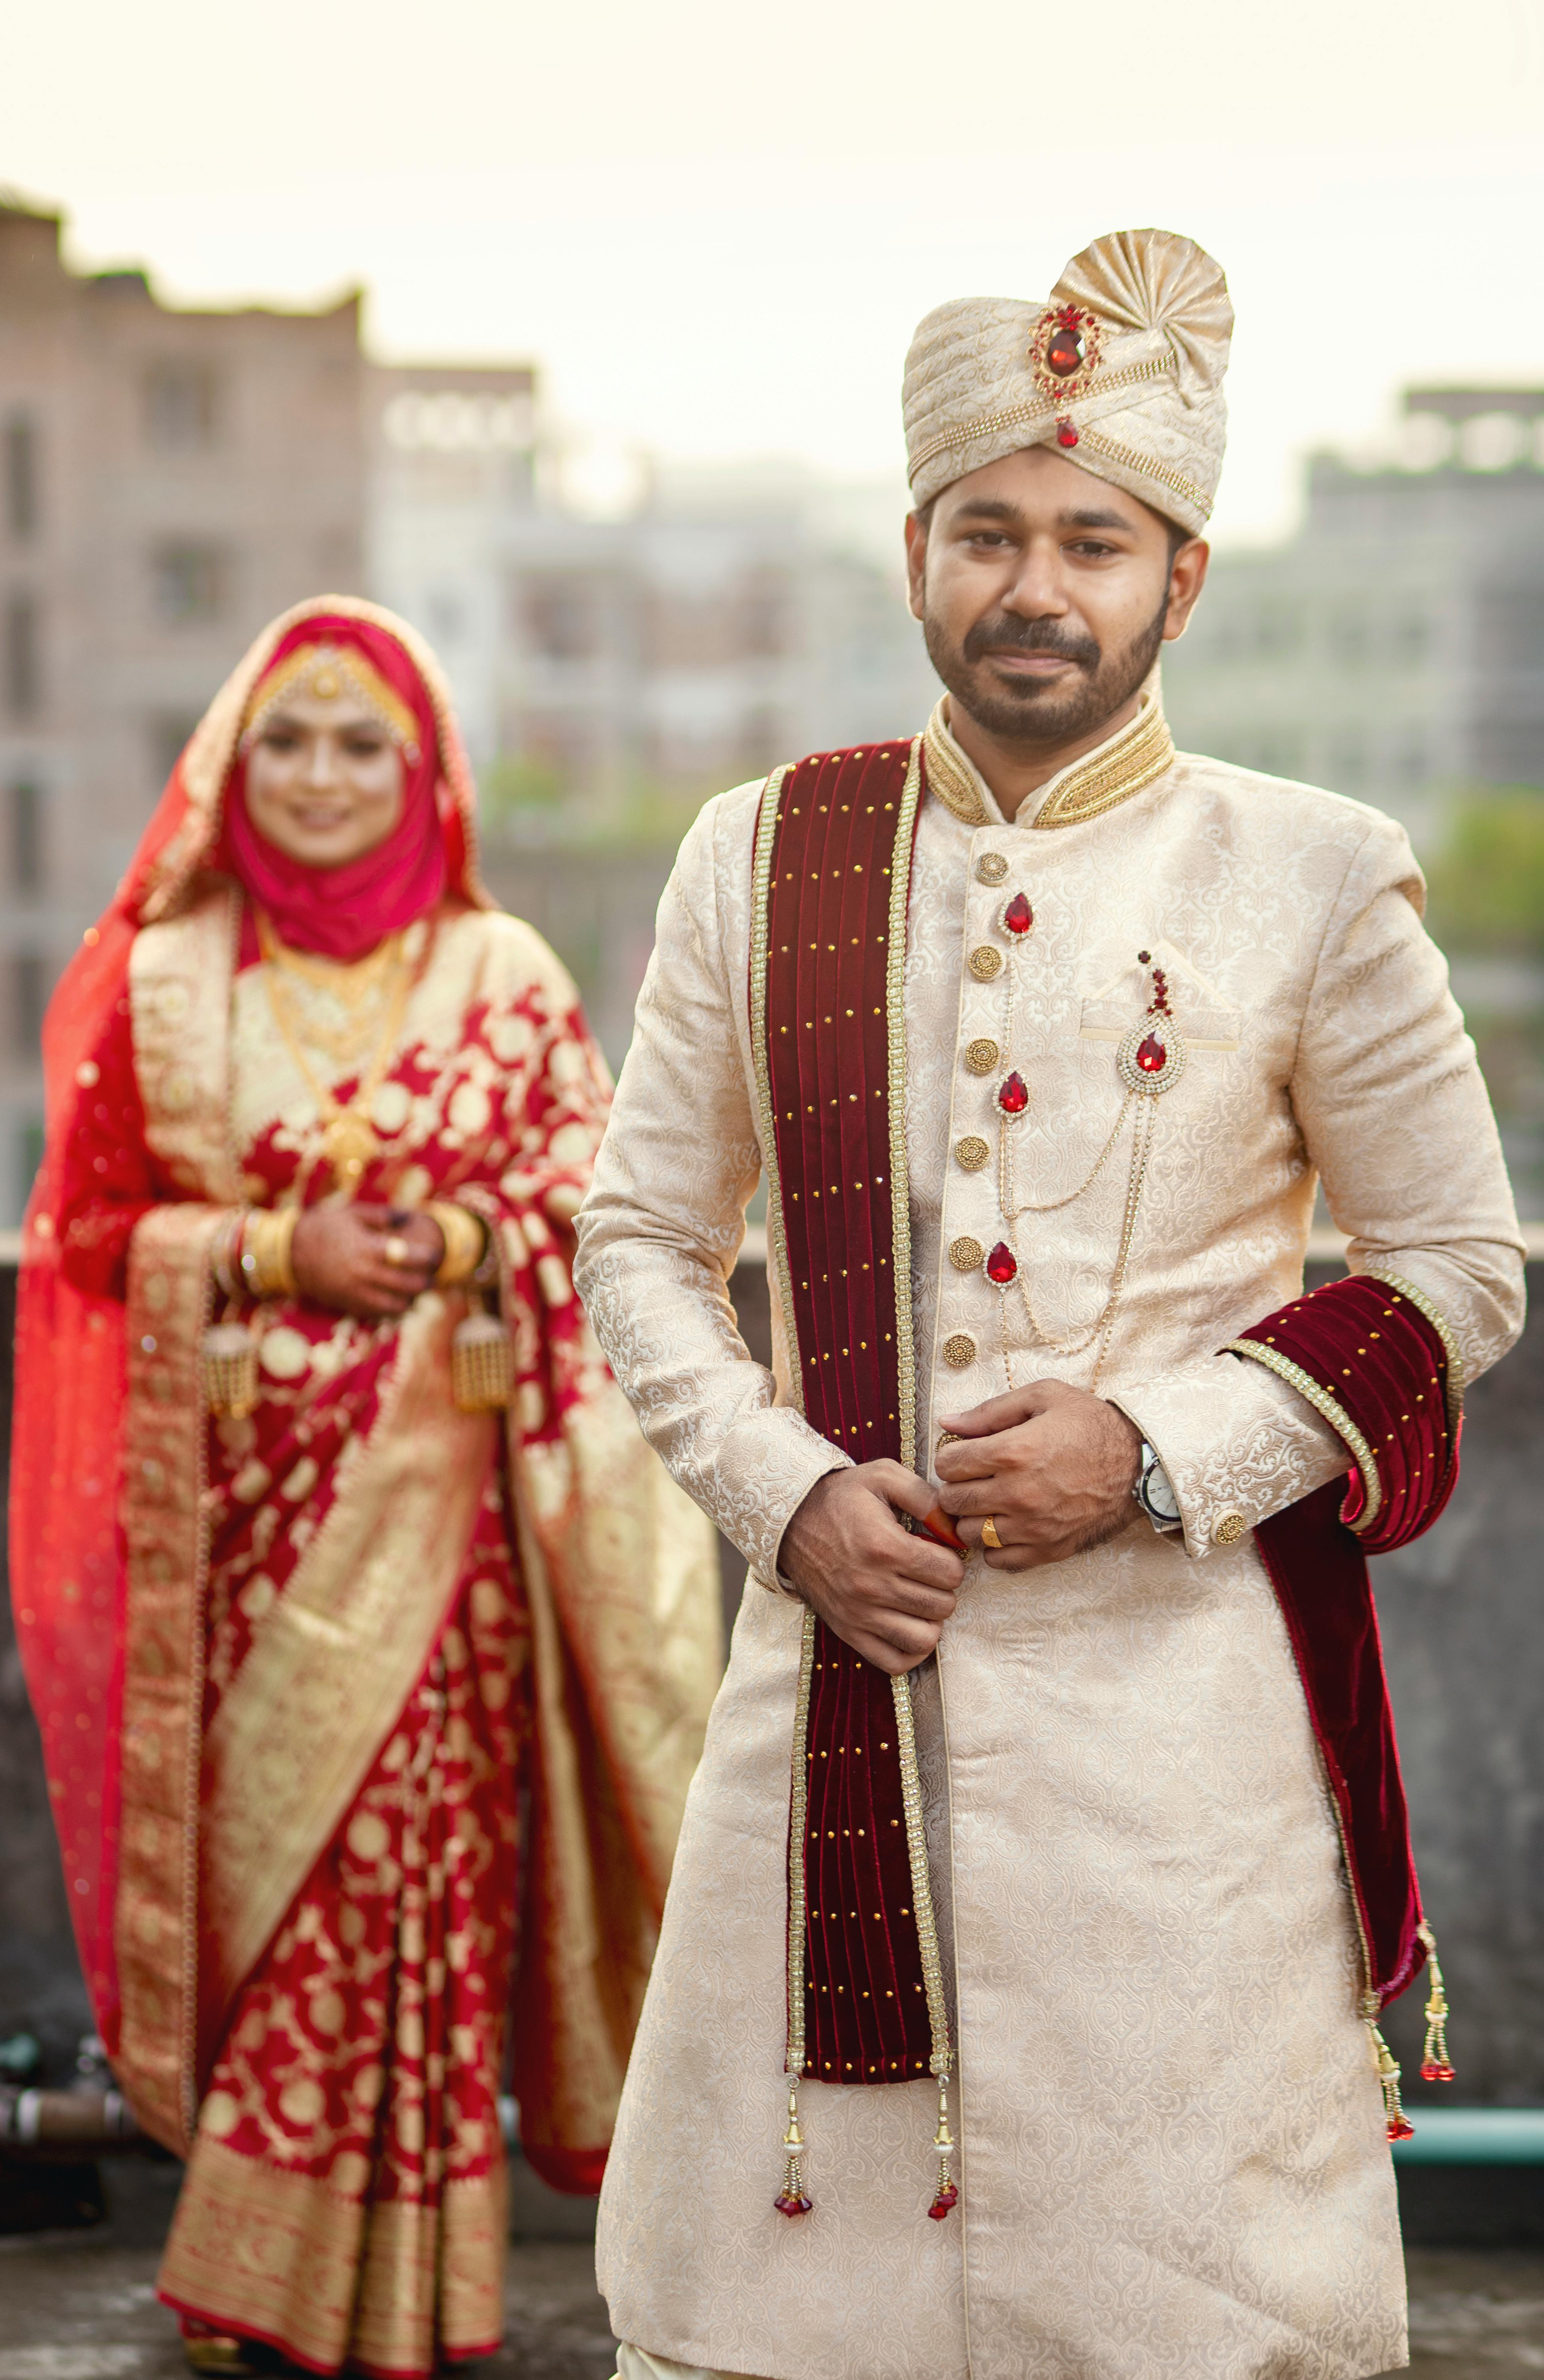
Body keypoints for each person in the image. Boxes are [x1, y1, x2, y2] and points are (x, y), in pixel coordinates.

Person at [572, 230, 1527, 2380]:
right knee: (774, 2315)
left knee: (1190, 2311)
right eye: (989, 532)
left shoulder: (1311, 870)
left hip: (1176, 1737)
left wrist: (1163, 1448)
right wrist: (784, 1490)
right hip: (836, 1688)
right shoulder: (761, 854)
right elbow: (634, 1236)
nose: (1037, 582)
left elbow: (1456, 1267)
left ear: (1180, 578)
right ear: (915, 553)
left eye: (1093, 539)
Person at [10, 598, 722, 2377]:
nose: (321, 776)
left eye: (361, 744)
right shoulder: (162, 978)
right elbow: (84, 1234)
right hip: (234, 1533)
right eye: (287, 739)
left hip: (450, 1530)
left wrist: (469, 1232)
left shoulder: (505, 976)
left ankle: (355, 2292)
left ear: (428, 774)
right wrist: (274, 1245)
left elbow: (604, 1205)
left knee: (405, 1875)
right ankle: (306, 2277)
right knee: (267, 1870)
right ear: (230, 765)